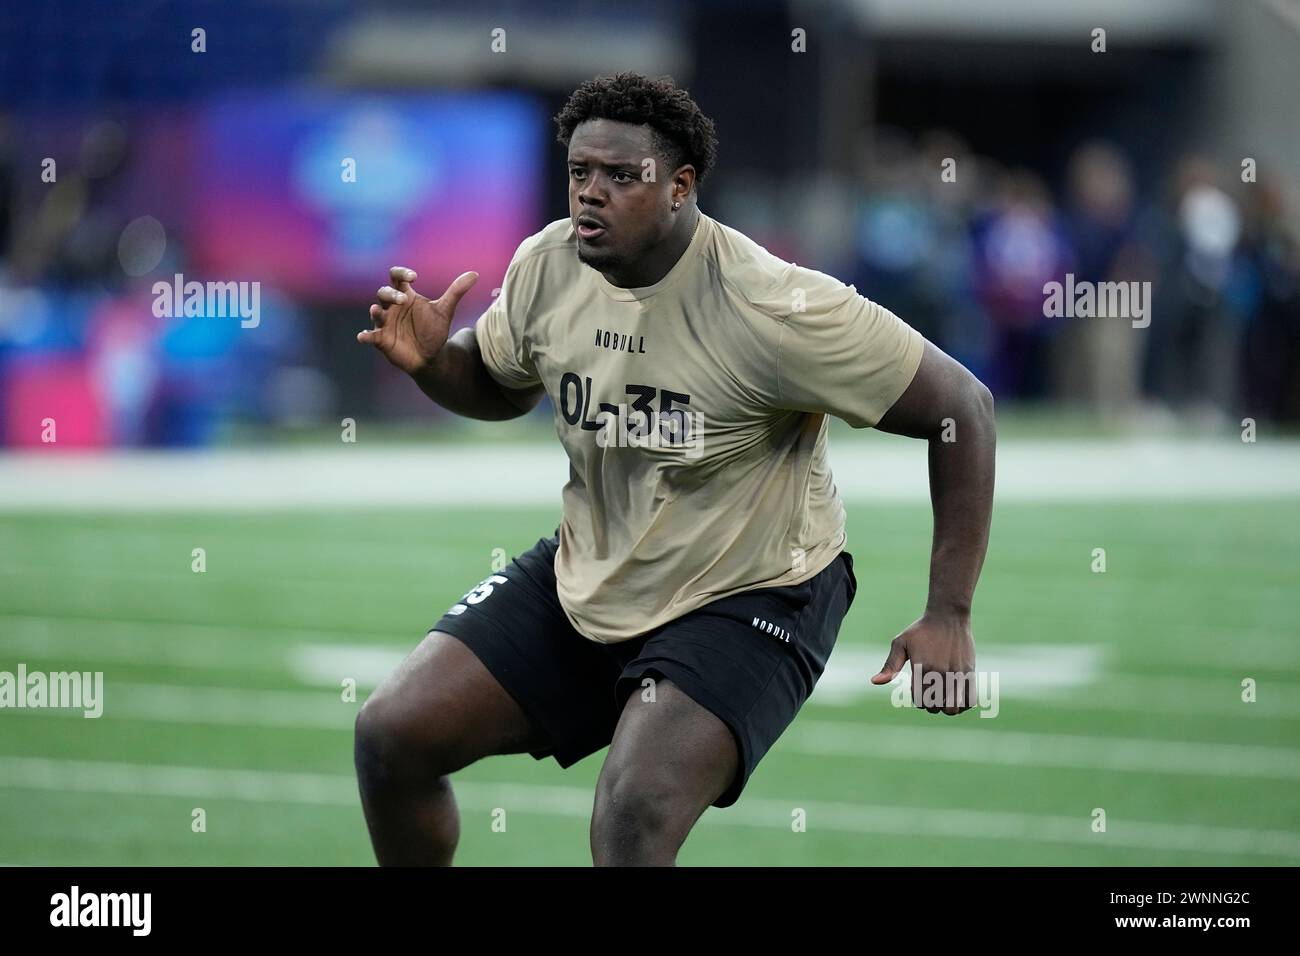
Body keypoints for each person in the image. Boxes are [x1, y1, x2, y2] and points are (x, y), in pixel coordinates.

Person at [353, 72, 996, 866]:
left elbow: (962, 409)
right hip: (596, 567)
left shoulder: (773, 305)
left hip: (752, 588)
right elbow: (497, 384)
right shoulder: (548, 265)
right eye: (580, 172)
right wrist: (432, 366)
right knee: (393, 734)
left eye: (622, 176)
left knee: (634, 815)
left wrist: (950, 612)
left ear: (680, 186)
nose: (591, 194)